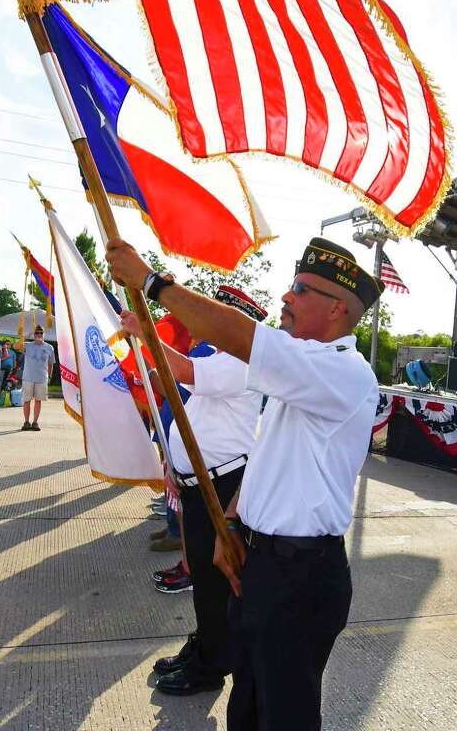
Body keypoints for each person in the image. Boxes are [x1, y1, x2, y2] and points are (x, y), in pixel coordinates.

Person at [107, 235, 382, 728]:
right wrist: (232, 522)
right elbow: (265, 460)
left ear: (337, 309)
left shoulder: (342, 372)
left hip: (300, 574)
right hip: (262, 562)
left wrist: (151, 283)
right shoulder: (300, 372)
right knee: (248, 706)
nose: (286, 296)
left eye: (301, 289)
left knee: (284, 716)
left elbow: (242, 336)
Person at [122, 284, 269, 697]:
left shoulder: (240, 361)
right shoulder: (219, 359)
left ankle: (211, 665)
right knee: (203, 577)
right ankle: (205, 646)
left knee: (213, 582)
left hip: (221, 484)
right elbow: (175, 386)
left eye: (212, 316)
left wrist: (144, 331)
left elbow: (184, 373)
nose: (202, 323)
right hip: (201, 482)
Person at [19, 326, 54, 430]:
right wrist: (27, 335)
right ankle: (26, 422)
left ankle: (35, 422)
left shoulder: (49, 347)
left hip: (42, 378)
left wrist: (50, 376)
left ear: (44, 334)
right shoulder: (27, 345)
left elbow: (51, 363)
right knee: (27, 401)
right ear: (34, 335)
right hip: (28, 378)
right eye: (36, 333)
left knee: (38, 401)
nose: (39, 335)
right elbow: (16, 346)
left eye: (41, 333)